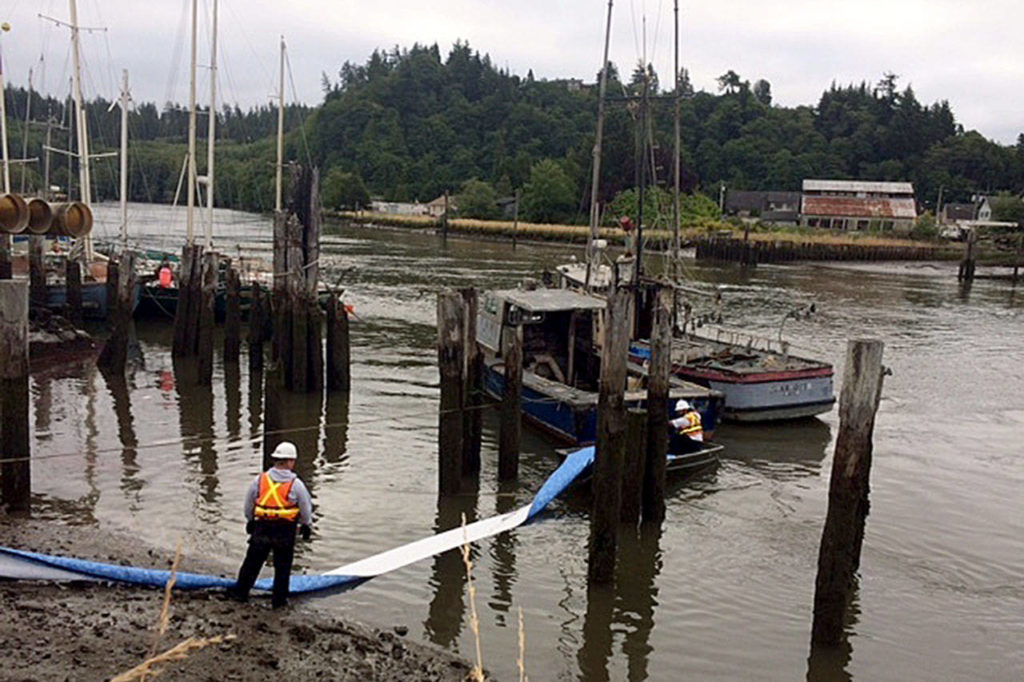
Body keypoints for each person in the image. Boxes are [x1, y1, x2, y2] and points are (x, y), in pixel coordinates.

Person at [227, 441, 313, 608]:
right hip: (284, 531)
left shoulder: (259, 480)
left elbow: (248, 504)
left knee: (252, 563)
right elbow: (305, 507)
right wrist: (306, 525)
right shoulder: (296, 485)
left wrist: (250, 520)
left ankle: (240, 593)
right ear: (289, 461)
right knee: (282, 568)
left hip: (262, 528)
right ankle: (279, 601)